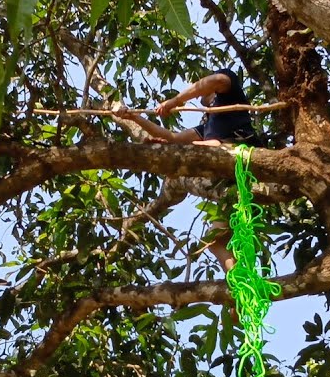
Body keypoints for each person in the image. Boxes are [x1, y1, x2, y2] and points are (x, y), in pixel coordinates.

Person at [110, 69, 256, 272]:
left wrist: (175, 101)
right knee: (214, 241)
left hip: (239, 151)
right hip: (229, 183)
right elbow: (173, 138)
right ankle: (240, 282)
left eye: (200, 88)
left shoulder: (229, 95)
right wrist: (134, 117)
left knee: (203, 147)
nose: (197, 94)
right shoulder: (208, 126)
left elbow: (216, 80)